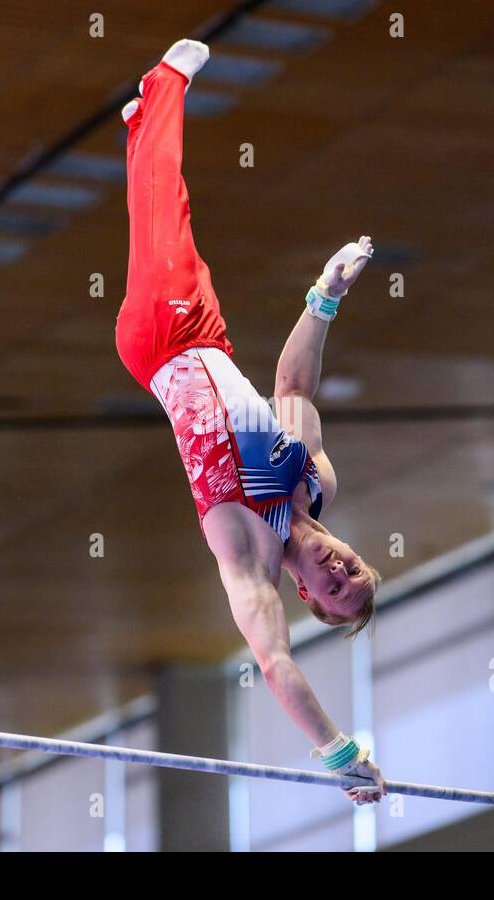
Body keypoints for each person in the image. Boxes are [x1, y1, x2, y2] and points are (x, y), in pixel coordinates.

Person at [115, 40, 385, 803]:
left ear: (310, 601)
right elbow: (294, 380)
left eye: (337, 589)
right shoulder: (315, 478)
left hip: (164, 343)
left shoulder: (253, 568)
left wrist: (337, 753)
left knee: (165, 211)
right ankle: (142, 122)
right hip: (207, 335)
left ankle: (161, 85)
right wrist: (324, 297)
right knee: (164, 214)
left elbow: (275, 667)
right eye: (356, 570)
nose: (341, 571)